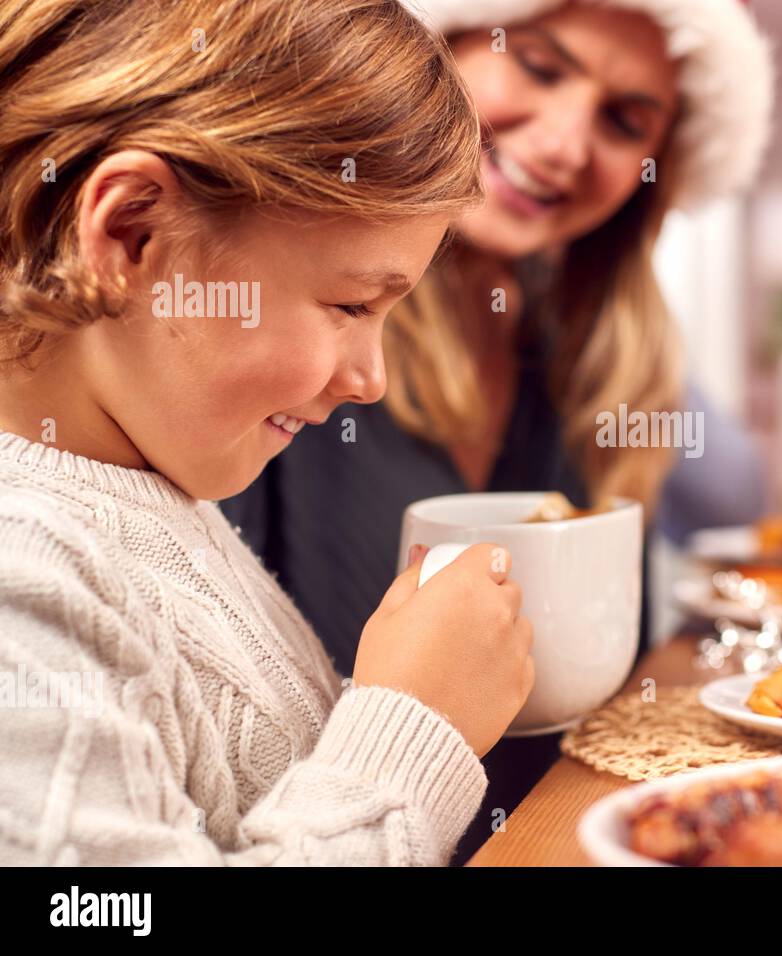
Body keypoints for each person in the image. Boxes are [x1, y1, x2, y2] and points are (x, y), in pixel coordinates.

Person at [220, 0, 773, 861]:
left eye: (626, 123)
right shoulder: (283, 335)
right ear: (426, 49)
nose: (564, 144)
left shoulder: (590, 360)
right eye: (541, 68)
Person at [0, 0, 533, 865]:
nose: (372, 379)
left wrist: (413, 685)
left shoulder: (147, 487)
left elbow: (235, 779)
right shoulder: (21, 570)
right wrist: (409, 731)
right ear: (133, 231)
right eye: (352, 305)